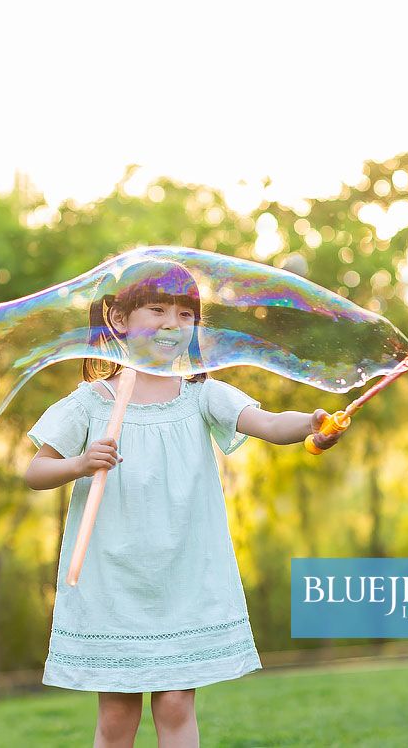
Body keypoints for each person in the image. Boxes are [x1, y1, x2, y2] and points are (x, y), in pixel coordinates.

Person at [24, 260, 346, 748]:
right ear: (119, 321)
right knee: (116, 712)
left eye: (184, 314)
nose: (172, 323)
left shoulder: (201, 395)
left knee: (176, 703)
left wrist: (309, 424)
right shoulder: (90, 403)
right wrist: (80, 463)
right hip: (112, 579)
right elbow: (34, 471)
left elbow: (268, 423)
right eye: (157, 310)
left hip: (181, 571)